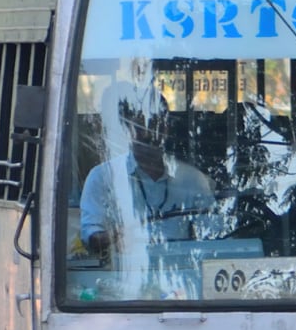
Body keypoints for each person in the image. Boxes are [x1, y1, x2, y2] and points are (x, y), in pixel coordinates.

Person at [78, 99, 216, 256]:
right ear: (127, 130)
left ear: (166, 128)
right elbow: (90, 235)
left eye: (154, 126)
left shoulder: (193, 179)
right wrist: (114, 236)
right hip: (124, 273)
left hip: (184, 272)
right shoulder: (103, 177)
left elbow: (213, 236)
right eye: (140, 127)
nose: (147, 134)